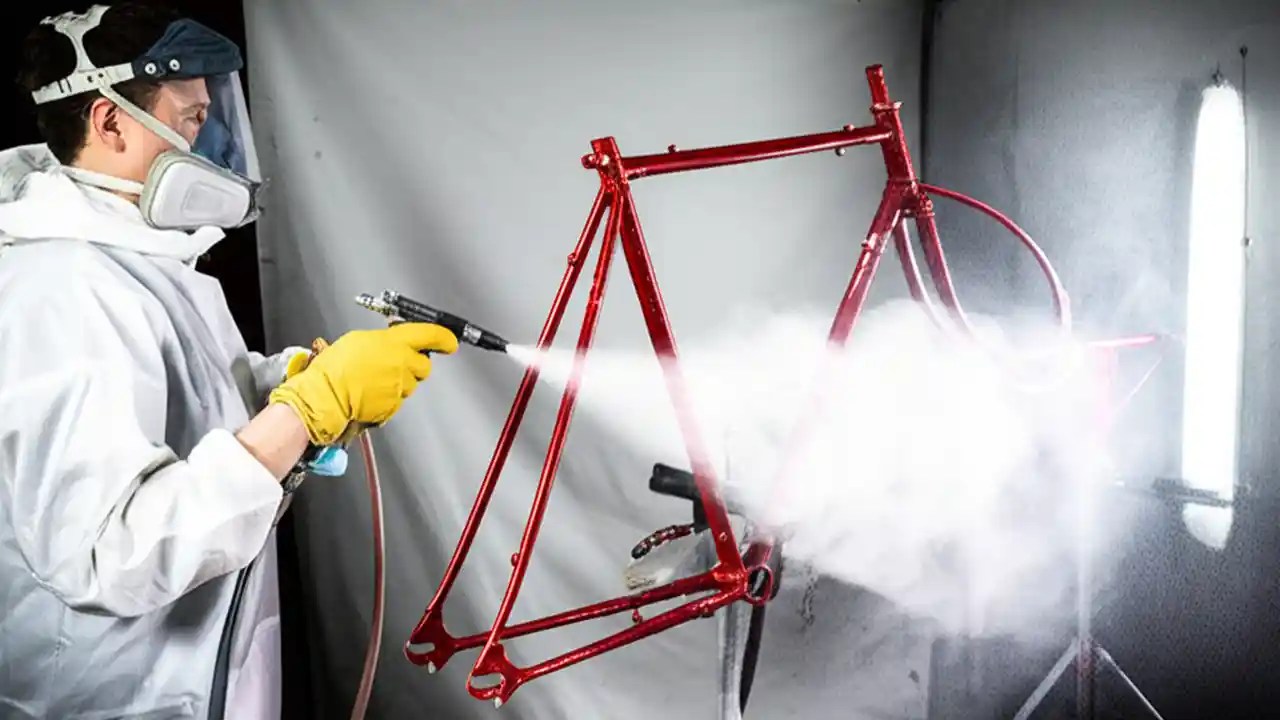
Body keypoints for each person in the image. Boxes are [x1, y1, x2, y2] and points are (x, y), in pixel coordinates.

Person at [0, 4, 457, 718]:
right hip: (116, 697)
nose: (209, 147)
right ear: (111, 122)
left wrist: (286, 388)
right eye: (190, 119)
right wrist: (304, 412)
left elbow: (188, 420)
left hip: (190, 677)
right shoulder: (64, 289)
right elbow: (110, 554)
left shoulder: (144, 260)